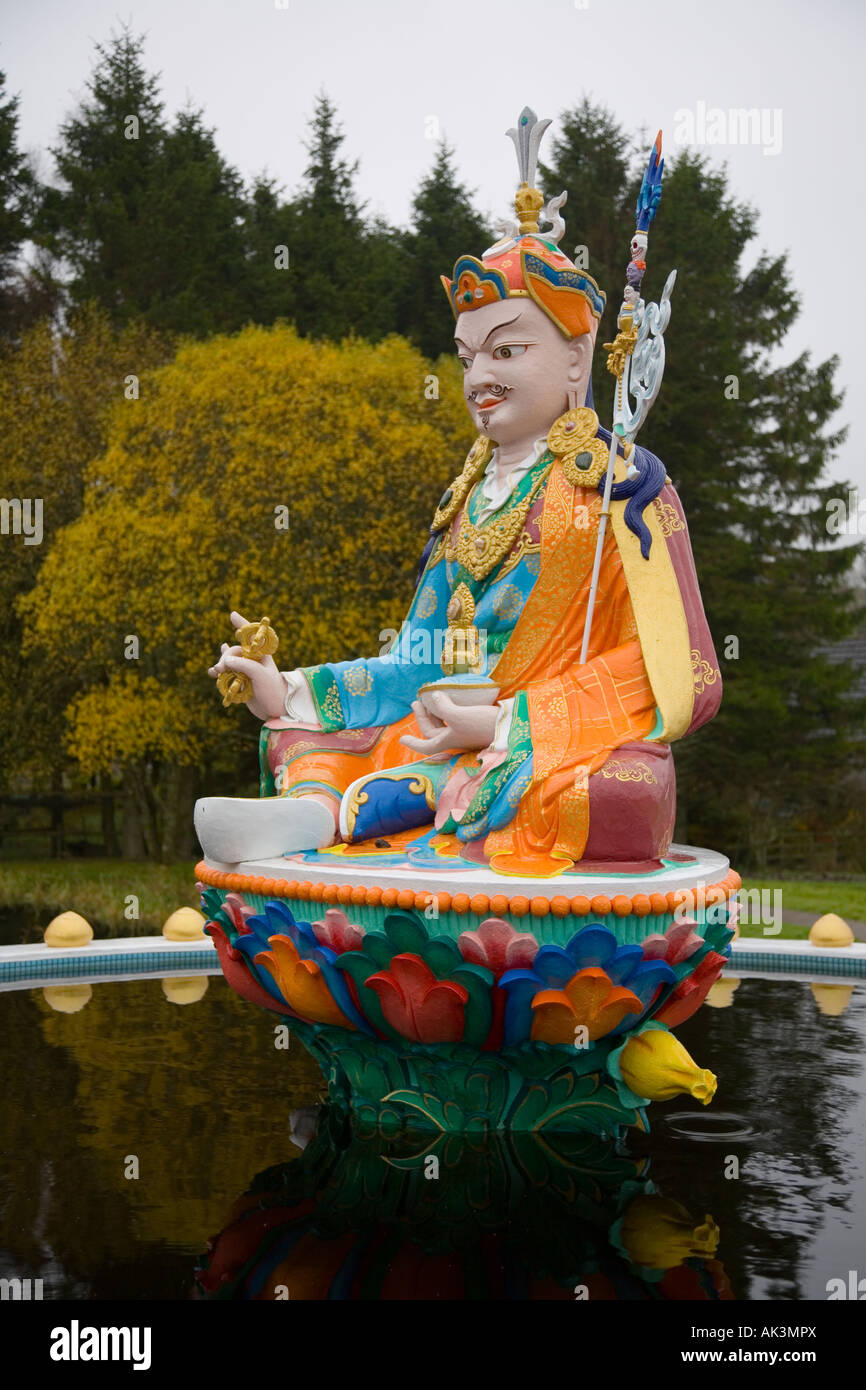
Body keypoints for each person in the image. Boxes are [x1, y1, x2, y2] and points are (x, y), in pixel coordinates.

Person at [195, 116, 721, 876]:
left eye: (507, 350)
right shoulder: (466, 498)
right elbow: (419, 658)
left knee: (603, 788)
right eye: (469, 355)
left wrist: (511, 720)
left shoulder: (624, 489)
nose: (479, 379)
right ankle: (321, 809)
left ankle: (349, 815)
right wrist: (294, 691)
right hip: (442, 731)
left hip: (544, 744)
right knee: (303, 736)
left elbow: (688, 674)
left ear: (578, 361)